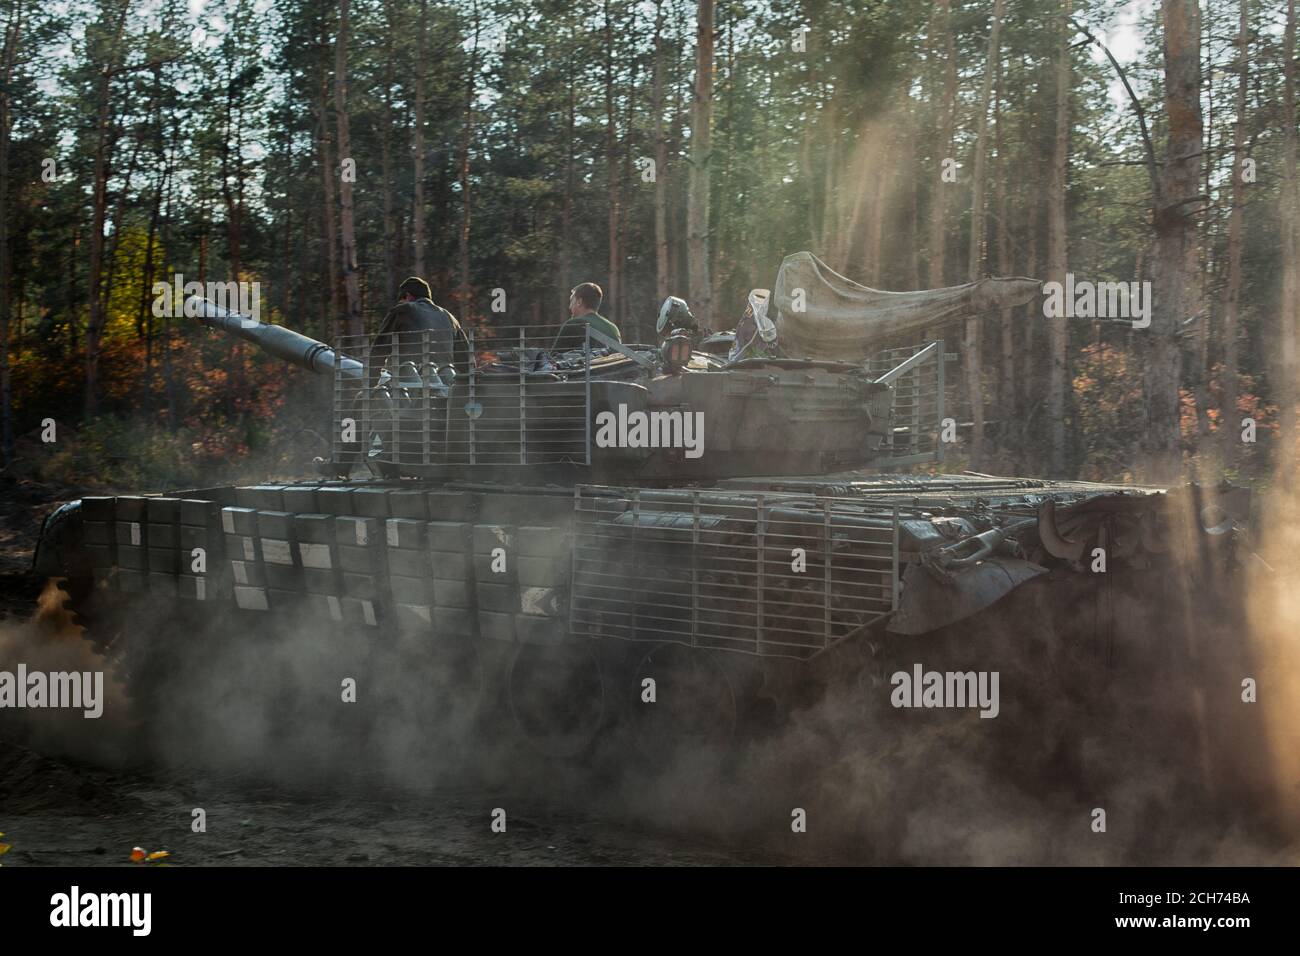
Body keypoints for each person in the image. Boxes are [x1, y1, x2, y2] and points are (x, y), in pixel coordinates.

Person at [369, 276, 468, 387]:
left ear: (408, 296)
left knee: (375, 397)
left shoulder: (404, 310)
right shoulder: (450, 318)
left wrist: (371, 383)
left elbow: (380, 348)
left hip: (411, 386)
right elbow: (466, 360)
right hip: (446, 388)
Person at [552, 282, 621, 352]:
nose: (570, 307)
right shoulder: (613, 328)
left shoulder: (574, 324)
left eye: (571, 301)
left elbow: (552, 360)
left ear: (579, 302)